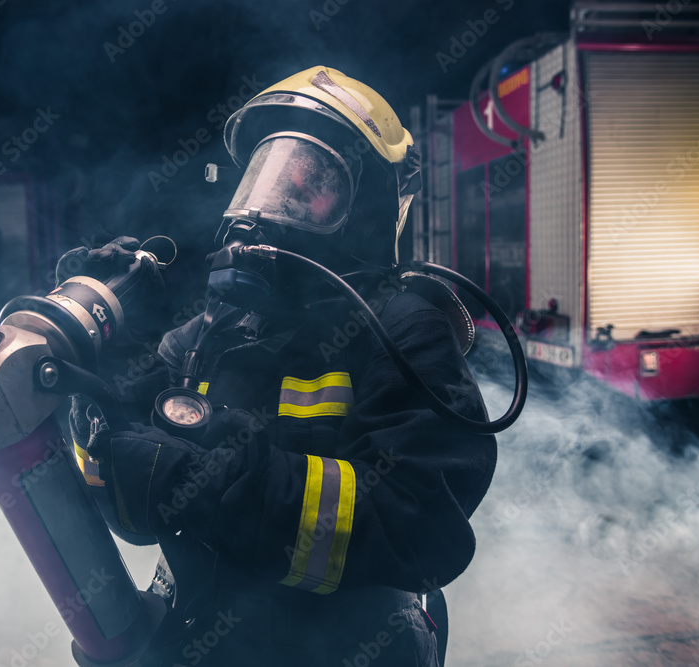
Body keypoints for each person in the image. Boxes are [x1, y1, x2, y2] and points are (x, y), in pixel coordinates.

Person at [57, 66, 497, 666]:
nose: (264, 209)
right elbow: (131, 497)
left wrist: (213, 485)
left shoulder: (400, 332)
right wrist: (115, 362)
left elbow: (419, 526)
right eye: (263, 178)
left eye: (309, 184)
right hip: (190, 640)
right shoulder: (209, 332)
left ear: (365, 214)